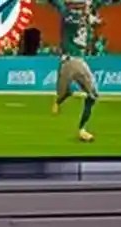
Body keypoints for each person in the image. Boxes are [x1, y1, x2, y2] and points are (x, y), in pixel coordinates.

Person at [47, 0, 98, 142]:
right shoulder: (68, 14)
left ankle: (82, 130)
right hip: (68, 61)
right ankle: (60, 98)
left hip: (80, 61)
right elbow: (56, 3)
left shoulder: (85, 17)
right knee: (63, 92)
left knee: (93, 96)